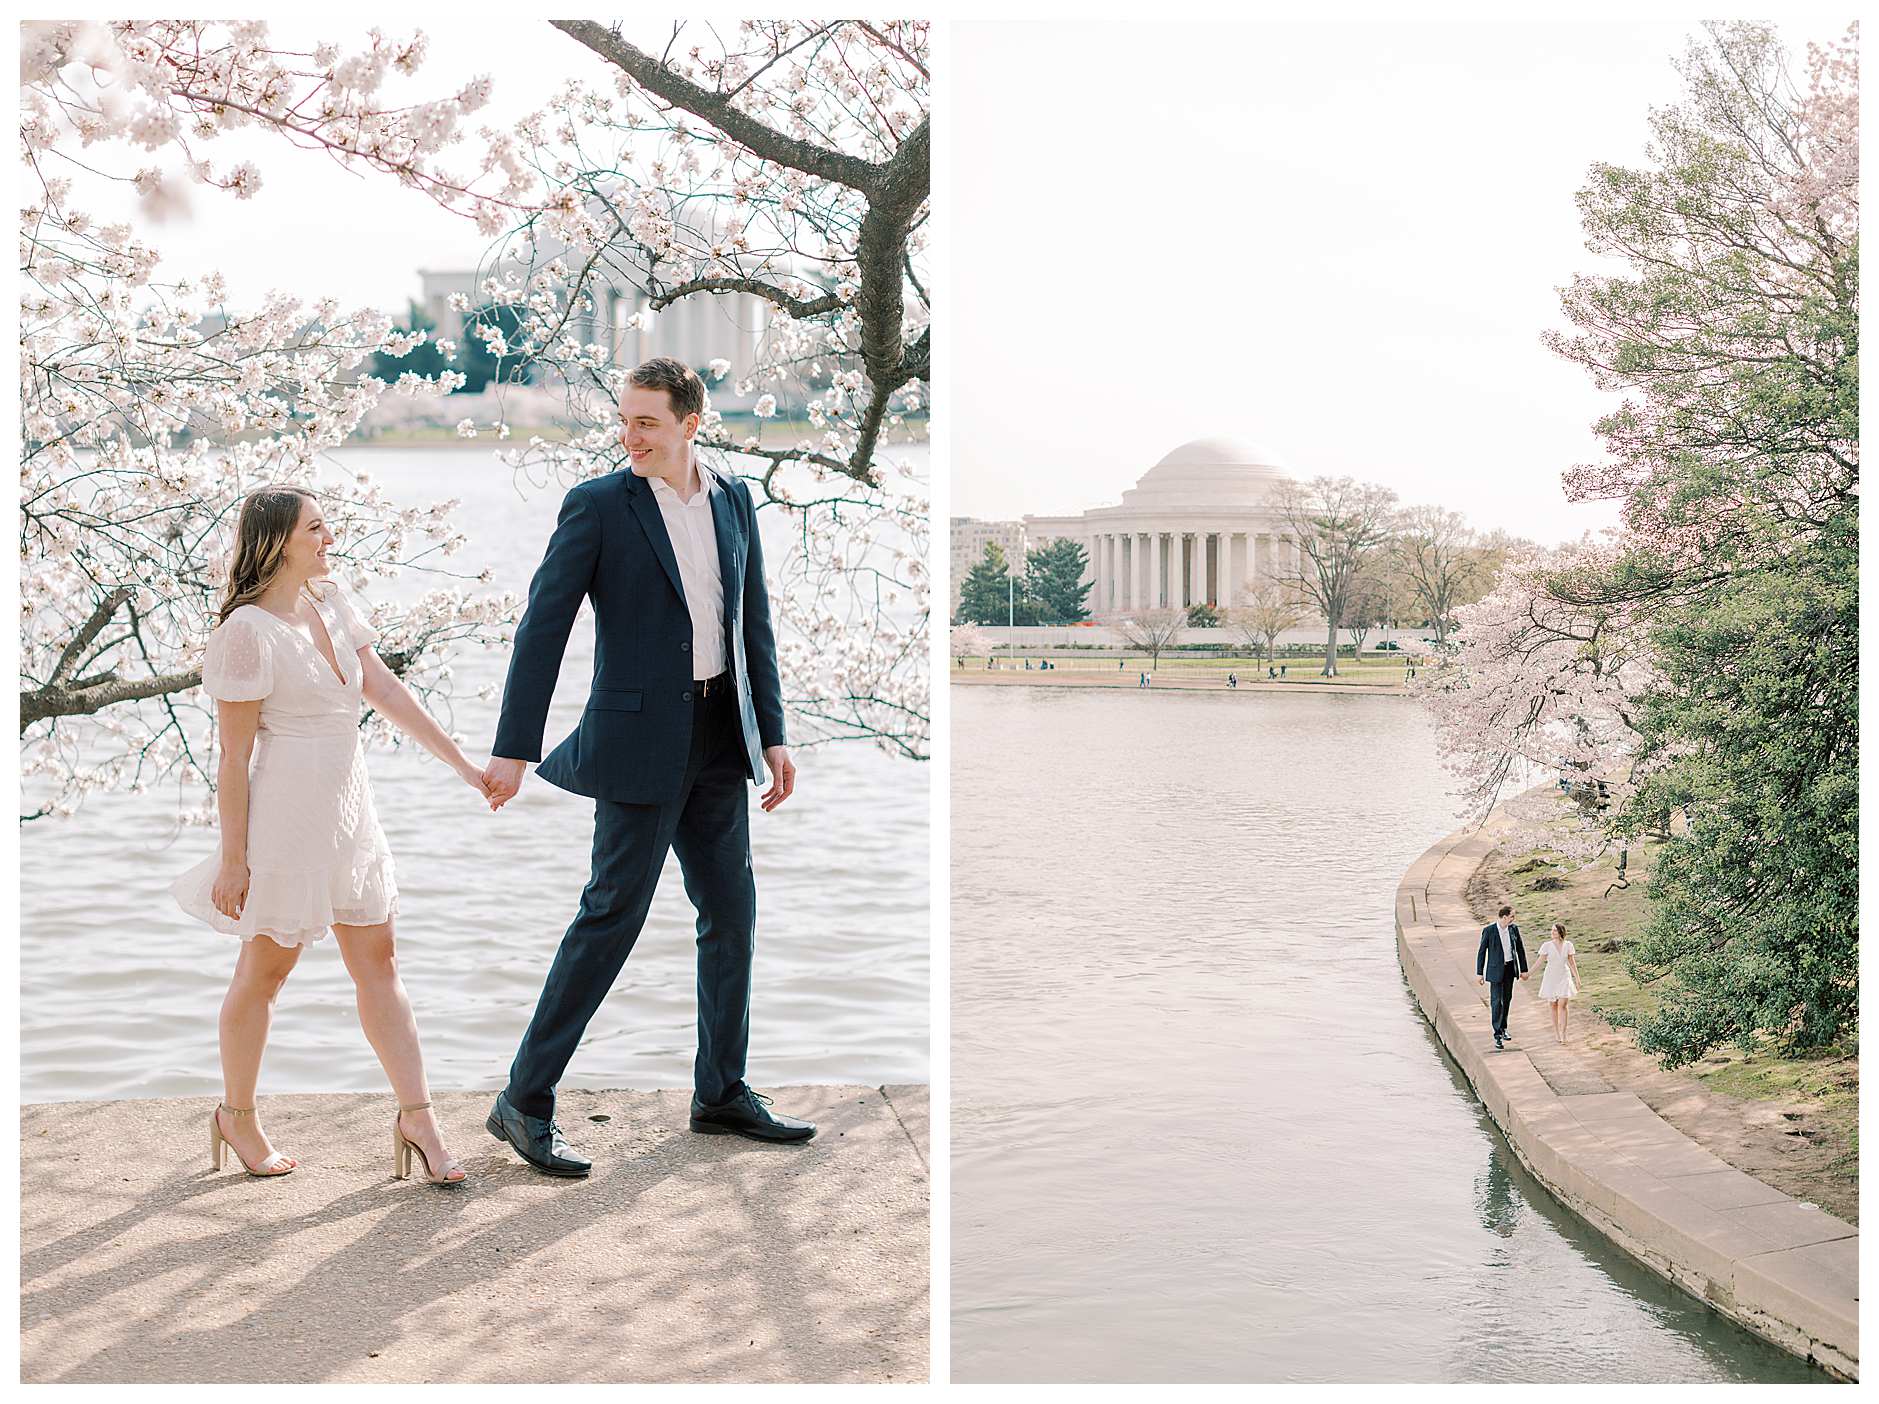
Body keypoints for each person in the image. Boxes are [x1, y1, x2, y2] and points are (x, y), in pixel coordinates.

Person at [480, 356, 812, 1179]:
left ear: (689, 424)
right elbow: (542, 628)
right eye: (624, 420)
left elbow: (752, 624)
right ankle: (524, 1101)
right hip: (635, 746)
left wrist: (771, 732)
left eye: (646, 422)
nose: (628, 436)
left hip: (717, 738)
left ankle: (721, 1091)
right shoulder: (598, 506)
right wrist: (513, 750)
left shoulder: (733, 500)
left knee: (730, 912)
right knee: (610, 919)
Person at [172, 486, 488, 1185]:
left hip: (351, 808)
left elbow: (385, 691)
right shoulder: (246, 633)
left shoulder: (333, 600)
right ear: (281, 539)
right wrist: (234, 861)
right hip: (285, 816)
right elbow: (233, 757)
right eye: (316, 527)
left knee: (380, 961)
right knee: (267, 972)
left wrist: (464, 766)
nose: (329, 536)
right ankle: (238, 1115)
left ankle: (418, 1117)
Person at [1475, 903, 1530, 1050]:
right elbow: (1481, 952)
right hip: (1495, 971)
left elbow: (1520, 949)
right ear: (1504, 917)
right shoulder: (1489, 931)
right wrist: (1479, 973)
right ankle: (1497, 1034)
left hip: (1510, 969)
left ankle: (1504, 1028)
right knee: (1495, 1002)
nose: (1513, 919)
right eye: (1512, 916)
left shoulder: (1513, 929)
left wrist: (1523, 969)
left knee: (1506, 999)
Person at [1536, 921, 1580, 1043]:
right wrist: (1528, 973)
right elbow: (1539, 962)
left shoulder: (1568, 945)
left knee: (1563, 1004)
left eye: (1554, 930)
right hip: (1551, 977)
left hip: (1564, 976)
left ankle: (1564, 1033)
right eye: (1552, 930)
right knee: (1553, 1005)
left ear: (1560, 932)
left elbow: (1572, 962)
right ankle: (1556, 1032)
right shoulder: (1547, 945)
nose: (1552, 932)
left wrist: (1577, 978)